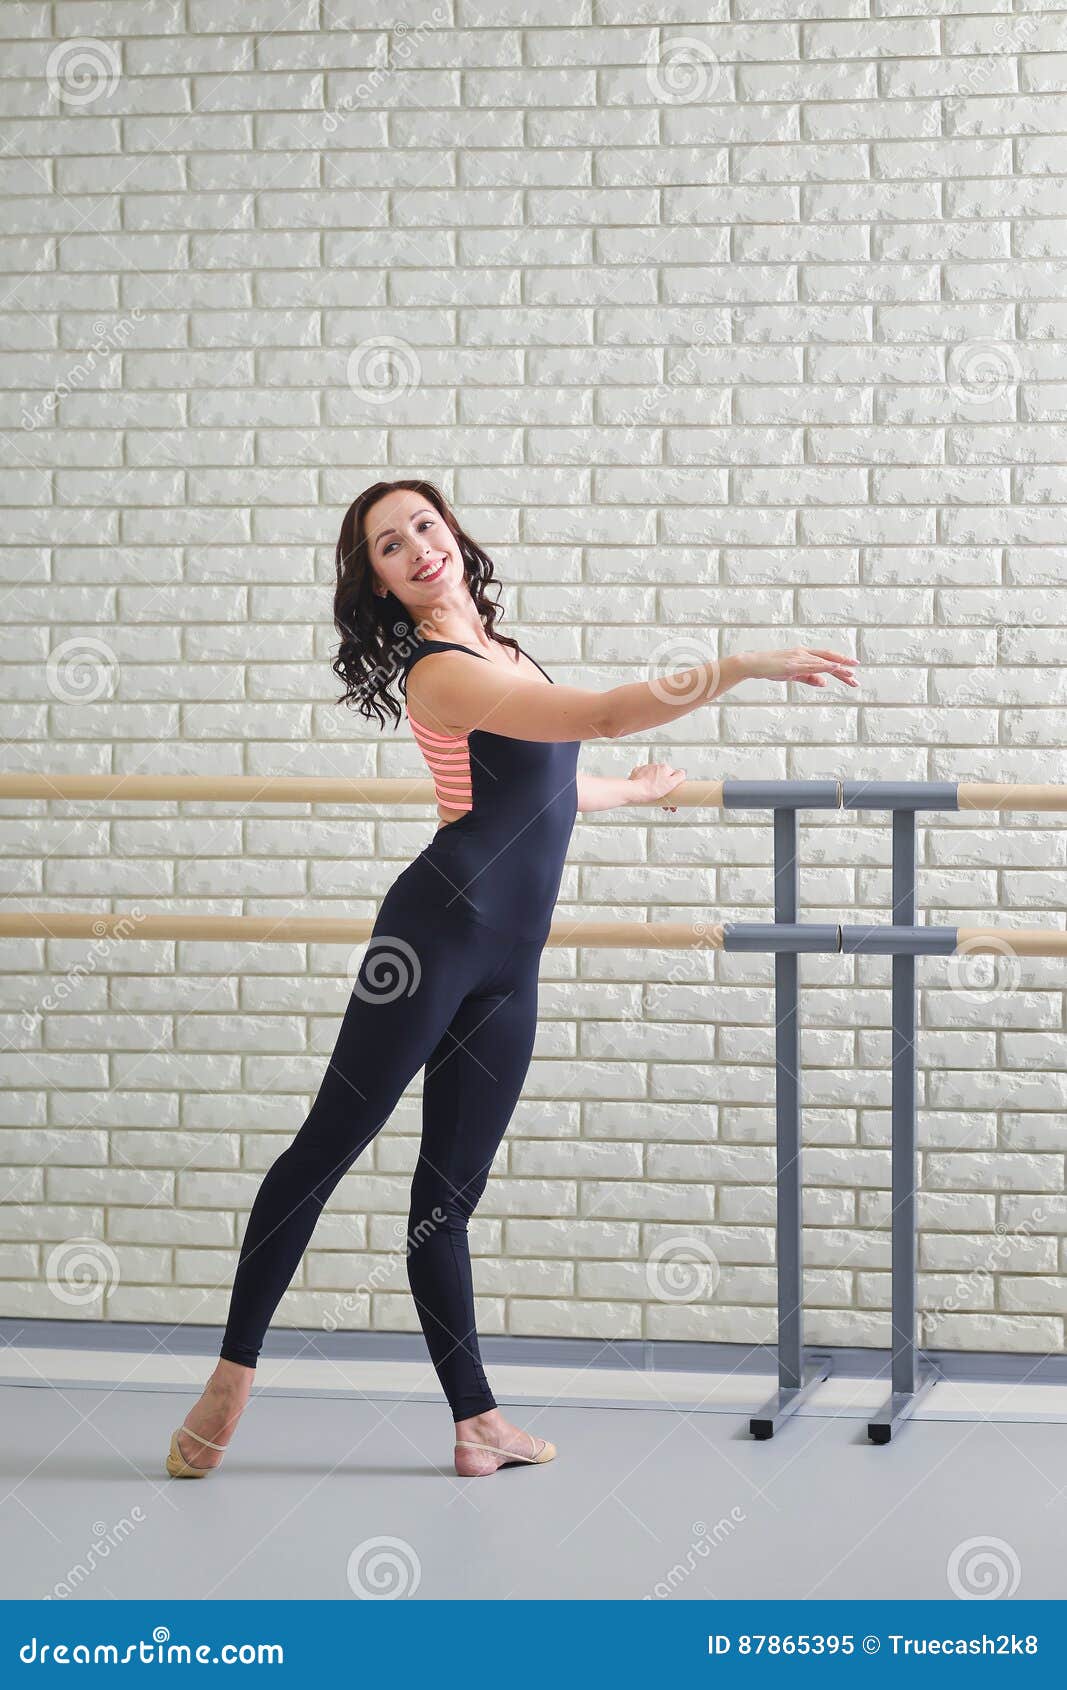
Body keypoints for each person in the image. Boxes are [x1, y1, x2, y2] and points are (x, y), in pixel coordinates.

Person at [165, 477, 859, 1481]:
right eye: (388, 545)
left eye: (424, 527)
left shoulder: (503, 651)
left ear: (453, 536)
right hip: (435, 933)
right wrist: (744, 663)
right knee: (326, 1145)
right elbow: (610, 714)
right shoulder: (440, 671)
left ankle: (475, 1419)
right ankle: (232, 1374)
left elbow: (534, 777)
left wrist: (624, 795)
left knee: (447, 1193)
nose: (416, 547)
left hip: (508, 957)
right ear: (380, 581)